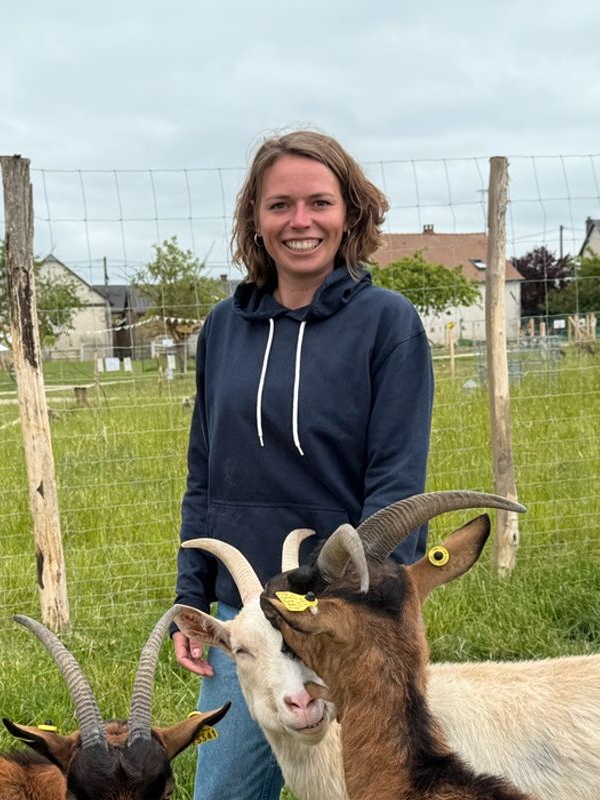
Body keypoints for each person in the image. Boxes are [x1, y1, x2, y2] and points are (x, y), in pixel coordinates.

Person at [171, 129, 434, 800]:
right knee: (223, 796)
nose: (300, 222)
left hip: (339, 622)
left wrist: (354, 614)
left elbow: (396, 484)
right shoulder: (224, 328)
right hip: (249, 624)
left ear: (349, 212)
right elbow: (206, 472)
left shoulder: (387, 324)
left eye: (319, 202)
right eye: (280, 204)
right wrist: (190, 594)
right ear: (254, 219)